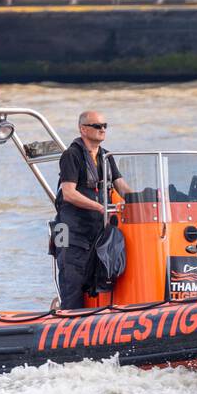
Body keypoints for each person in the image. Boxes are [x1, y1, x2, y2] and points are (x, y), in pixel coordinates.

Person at [53, 110, 133, 309]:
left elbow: (121, 185)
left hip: (96, 234)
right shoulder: (71, 155)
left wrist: (140, 200)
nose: (102, 130)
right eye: (97, 126)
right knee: (72, 284)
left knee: (97, 282)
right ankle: (70, 324)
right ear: (83, 129)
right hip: (72, 234)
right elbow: (69, 193)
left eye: (105, 126)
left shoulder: (106, 156)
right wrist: (100, 207)